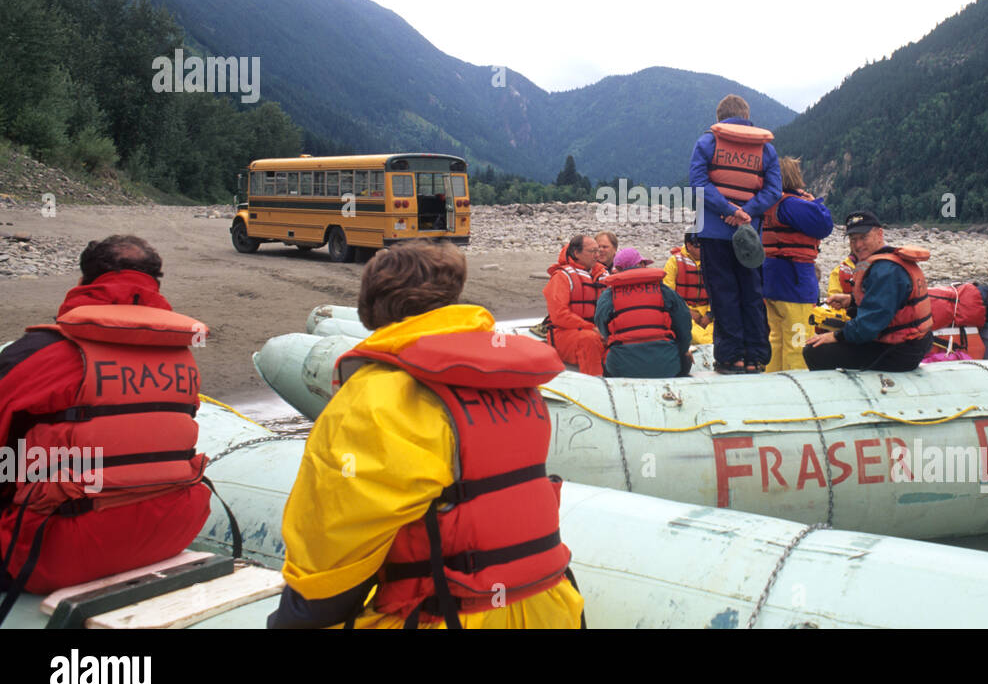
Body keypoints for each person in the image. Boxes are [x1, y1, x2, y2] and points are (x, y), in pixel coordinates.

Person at [269, 240, 584, 629]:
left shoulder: (377, 395)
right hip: (550, 605)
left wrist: (294, 618)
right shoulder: (513, 383)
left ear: (369, 310)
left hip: (447, 615)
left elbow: (334, 544)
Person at [0, 236, 213, 620]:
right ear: (156, 285)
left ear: (85, 280)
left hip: (53, 554)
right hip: (169, 533)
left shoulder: (36, 355)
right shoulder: (184, 359)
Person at [689, 93, 781, 374]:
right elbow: (773, 191)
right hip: (749, 234)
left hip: (715, 232)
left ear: (719, 118)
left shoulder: (707, 142)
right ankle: (755, 359)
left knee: (723, 294)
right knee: (751, 293)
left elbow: (698, 185)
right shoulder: (766, 150)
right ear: (746, 116)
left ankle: (731, 359)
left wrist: (728, 208)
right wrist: (747, 212)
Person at [803, 211, 934, 371]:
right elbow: (884, 302)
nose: (858, 245)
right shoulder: (887, 261)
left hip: (899, 352)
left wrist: (835, 336)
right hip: (911, 344)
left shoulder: (887, 270)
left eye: (863, 237)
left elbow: (869, 326)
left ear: (879, 234)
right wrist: (851, 300)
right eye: (853, 240)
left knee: (814, 351)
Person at [761, 157, 834, 371]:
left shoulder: (766, 204)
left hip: (770, 278)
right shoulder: (791, 204)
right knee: (798, 341)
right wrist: (813, 203)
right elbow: (824, 225)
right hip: (794, 280)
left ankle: (773, 383)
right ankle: (796, 389)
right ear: (794, 176)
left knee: (776, 337)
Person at [595, 247, 694, 378]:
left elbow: (601, 325)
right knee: (686, 358)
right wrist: (681, 350)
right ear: (641, 265)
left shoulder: (608, 295)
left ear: (617, 270)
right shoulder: (664, 291)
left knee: (606, 360)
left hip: (621, 368)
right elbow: (684, 324)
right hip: (666, 366)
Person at [543, 235, 608, 375]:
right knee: (589, 340)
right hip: (564, 333)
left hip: (596, 330)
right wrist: (592, 328)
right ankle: (594, 383)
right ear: (576, 253)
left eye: (598, 251)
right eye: (592, 251)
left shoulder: (603, 275)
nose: (597, 255)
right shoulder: (562, 276)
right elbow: (559, 315)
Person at [663, 232, 713, 344]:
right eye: (698, 246)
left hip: (708, 312)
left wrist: (710, 315)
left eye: (704, 245)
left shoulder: (713, 262)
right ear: (688, 245)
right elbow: (668, 293)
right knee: (695, 336)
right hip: (685, 311)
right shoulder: (674, 261)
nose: (702, 249)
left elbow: (719, 291)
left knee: (722, 332)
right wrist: (686, 311)